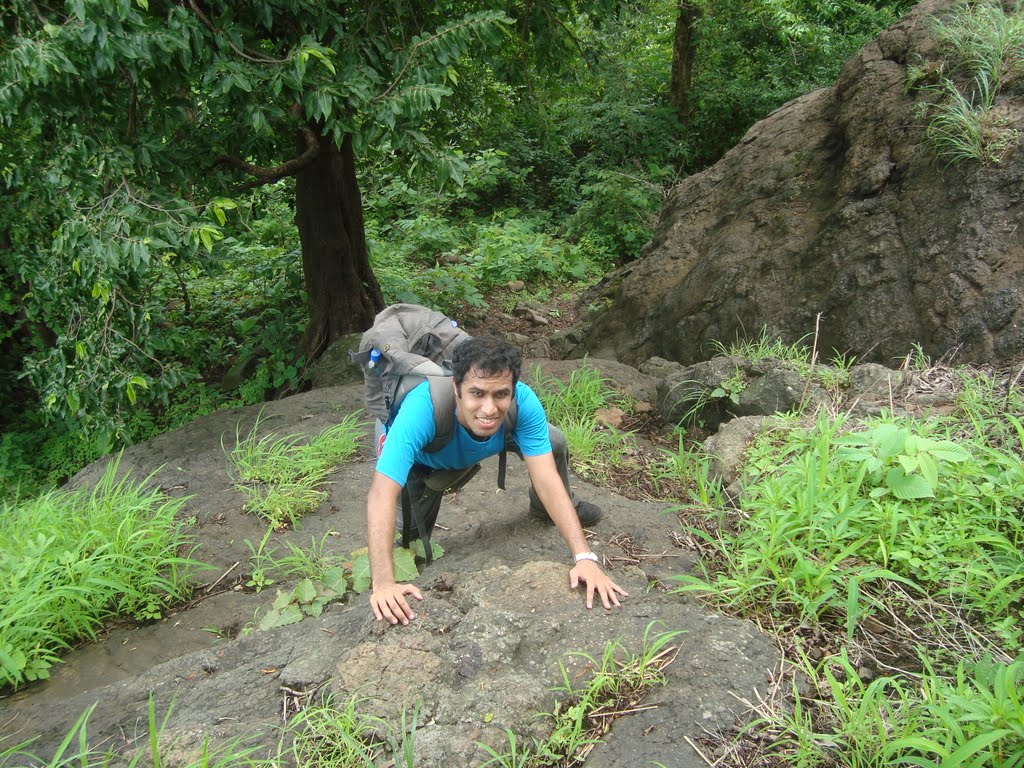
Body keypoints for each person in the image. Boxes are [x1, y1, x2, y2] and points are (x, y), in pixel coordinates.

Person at [366, 336, 628, 625]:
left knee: (552, 440)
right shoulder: (422, 409)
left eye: (501, 395)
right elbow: (382, 493)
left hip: (491, 439)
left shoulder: (522, 402)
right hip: (425, 460)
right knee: (408, 547)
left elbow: (546, 478)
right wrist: (383, 583)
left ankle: (549, 509)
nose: (489, 408)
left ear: (513, 390)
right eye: (477, 393)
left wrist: (584, 558)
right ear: (456, 388)